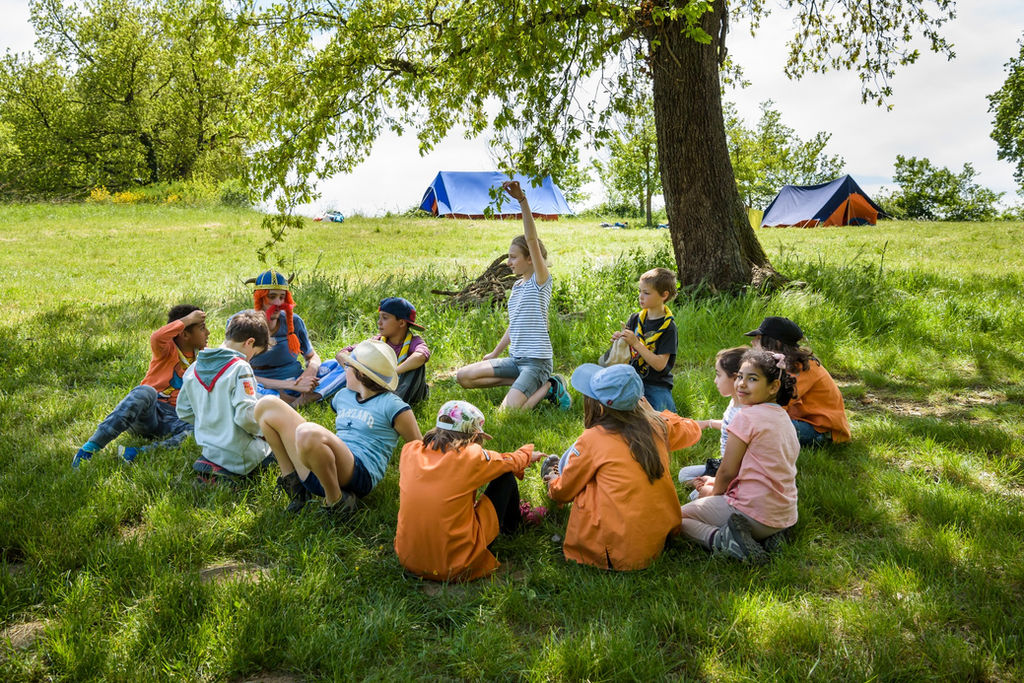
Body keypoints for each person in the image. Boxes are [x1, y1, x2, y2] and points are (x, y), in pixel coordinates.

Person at [542, 364, 703, 570]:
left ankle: (552, 472)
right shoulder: (656, 426)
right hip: (657, 540)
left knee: (581, 476)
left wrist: (552, 483)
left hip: (614, 553)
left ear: (599, 406)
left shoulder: (592, 439)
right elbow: (694, 430)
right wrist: (654, 414)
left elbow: (563, 493)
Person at [255, 339, 422, 515]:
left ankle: (336, 502)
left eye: (348, 366)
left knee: (307, 432)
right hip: (325, 468)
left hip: (359, 474)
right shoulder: (343, 396)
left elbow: (419, 446)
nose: (344, 369)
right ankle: (295, 485)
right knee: (266, 405)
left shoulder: (393, 406)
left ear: (361, 374)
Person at [395, 400, 545, 581]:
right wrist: (528, 455)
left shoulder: (409, 451)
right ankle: (514, 525)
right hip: (458, 564)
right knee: (505, 477)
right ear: (473, 436)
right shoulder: (471, 455)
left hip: (410, 558)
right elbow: (506, 462)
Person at [455, 180, 571, 411]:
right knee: (464, 377)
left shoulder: (540, 281)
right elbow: (514, 324)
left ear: (531, 259)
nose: (508, 262)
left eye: (513, 257)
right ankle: (527, 385)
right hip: (515, 361)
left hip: (536, 363)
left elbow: (530, 239)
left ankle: (550, 385)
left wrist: (522, 201)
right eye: (508, 257)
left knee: (506, 414)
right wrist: (495, 352)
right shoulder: (517, 287)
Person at [680, 349, 800, 564]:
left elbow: (727, 470)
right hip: (784, 514)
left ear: (773, 387)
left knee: (674, 519)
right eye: (740, 377)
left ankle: (723, 540)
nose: (742, 384)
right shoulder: (783, 417)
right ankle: (770, 537)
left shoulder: (746, 417)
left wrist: (713, 494)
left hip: (753, 513)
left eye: (752, 379)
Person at [72, 305, 210, 468]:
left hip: (174, 417)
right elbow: (157, 337)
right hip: (148, 413)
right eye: (202, 328)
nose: (207, 332)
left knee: (200, 430)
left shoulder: (203, 356)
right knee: (145, 392)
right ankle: (89, 449)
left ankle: (137, 453)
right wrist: (189, 319)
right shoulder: (166, 350)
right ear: (184, 334)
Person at [176, 310, 274, 481]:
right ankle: (231, 475)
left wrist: (209, 420)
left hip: (210, 447)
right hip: (241, 452)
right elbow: (245, 417)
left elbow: (183, 410)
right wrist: (265, 432)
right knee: (279, 449)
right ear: (249, 342)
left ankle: (213, 466)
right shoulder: (240, 368)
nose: (251, 359)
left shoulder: (193, 368)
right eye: (254, 353)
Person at [304, 297, 431, 407]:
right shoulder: (377, 342)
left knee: (416, 367)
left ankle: (392, 405)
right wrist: (349, 367)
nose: (379, 322)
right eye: (379, 317)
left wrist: (393, 372)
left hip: (408, 391)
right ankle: (318, 394)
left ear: (402, 323)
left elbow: (421, 356)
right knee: (353, 361)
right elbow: (343, 353)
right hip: (380, 388)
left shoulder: (414, 341)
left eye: (385, 318)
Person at [744, 316, 850, 447]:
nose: (753, 342)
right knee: (754, 423)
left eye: (758, 338)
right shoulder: (785, 364)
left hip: (822, 430)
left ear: (776, 343)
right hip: (801, 419)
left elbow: (777, 404)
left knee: (763, 427)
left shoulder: (800, 367)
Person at [242, 270, 342, 405]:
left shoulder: (294, 321)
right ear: (259, 298)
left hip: (298, 380)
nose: (278, 303)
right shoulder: (243, 322)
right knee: (245, 384)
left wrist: (309, 373)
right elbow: (240, 371)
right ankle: (300, 401)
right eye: (271, 297)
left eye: (282, 297)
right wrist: (291, 385)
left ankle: (303, 398)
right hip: (264, 385)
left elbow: (312, 356)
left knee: (345, 364)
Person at [678, 346, 748, 497]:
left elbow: (737, 463)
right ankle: (705, 484)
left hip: (734, 471)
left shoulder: (744, 413)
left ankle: (715, 492)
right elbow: (728, 426)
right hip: (724, 463)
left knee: (693, 496)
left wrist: (716, 482)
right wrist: (707, 423)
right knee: (684, 474)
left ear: (736, 378)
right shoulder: (734, 402)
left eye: (718, 375)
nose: (715, 381)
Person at [612, 267, 680, 412]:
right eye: (640, 291)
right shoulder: (636, 319)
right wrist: (620, 340)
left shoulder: (668, 327)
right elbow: (628, 351)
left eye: (646, 293)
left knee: (664, 417)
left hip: (656, 384)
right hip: (631, 379)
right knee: (613, 408)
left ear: (664, 295)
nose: (641, 296)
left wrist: (636, 343)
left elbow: (660, 365)